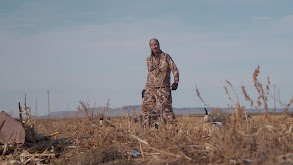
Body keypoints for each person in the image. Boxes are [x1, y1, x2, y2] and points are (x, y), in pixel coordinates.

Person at [141, 38, 179, 129]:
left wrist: (176, 82)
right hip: (151, 88)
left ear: (158, 45)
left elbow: (174, 69)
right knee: (146, 109)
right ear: (150, 47)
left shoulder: (166, 56)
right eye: (152, 45)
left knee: (167, 110)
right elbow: (150, 75)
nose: (154, 47)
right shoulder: (148, 60)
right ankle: (146, 131)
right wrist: (145, 88)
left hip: (163, 87)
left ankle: (172, 131)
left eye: (155, 44)